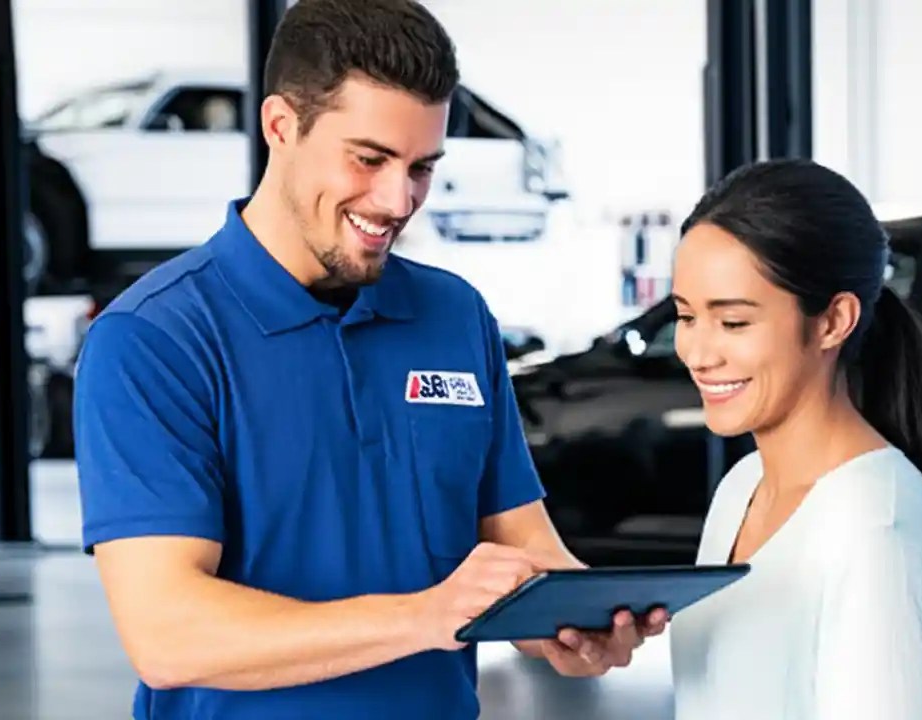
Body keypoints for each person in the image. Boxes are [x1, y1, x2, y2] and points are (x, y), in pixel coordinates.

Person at [72, 1, 666, 718]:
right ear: (280, 126)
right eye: (370, 159)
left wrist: (577, 619)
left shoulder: (455, 317)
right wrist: (423, 616)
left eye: (421, 166)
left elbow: (529, 549)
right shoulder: (153, 340)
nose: (396, 200)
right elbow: (168, 634)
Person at [666, 159, 922, 719]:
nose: (698, 354)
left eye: (733, 323)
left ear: (832, 321)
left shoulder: (876, 527)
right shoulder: (741, 488)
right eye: (685, 317)